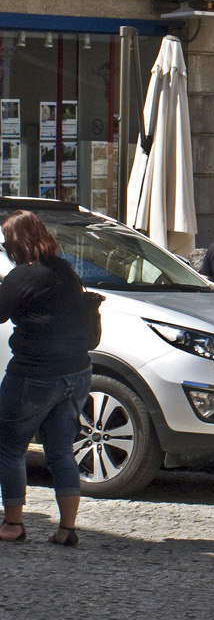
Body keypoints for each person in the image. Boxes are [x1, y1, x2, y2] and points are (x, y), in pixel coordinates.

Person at [0, 211, 93, 546]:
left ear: (14, 243)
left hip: (34, 375)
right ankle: (67, 530)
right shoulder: (64, 270)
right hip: (77, 373)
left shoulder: (22, 277)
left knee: (9, 447)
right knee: (60, 451)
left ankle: (12, 524)